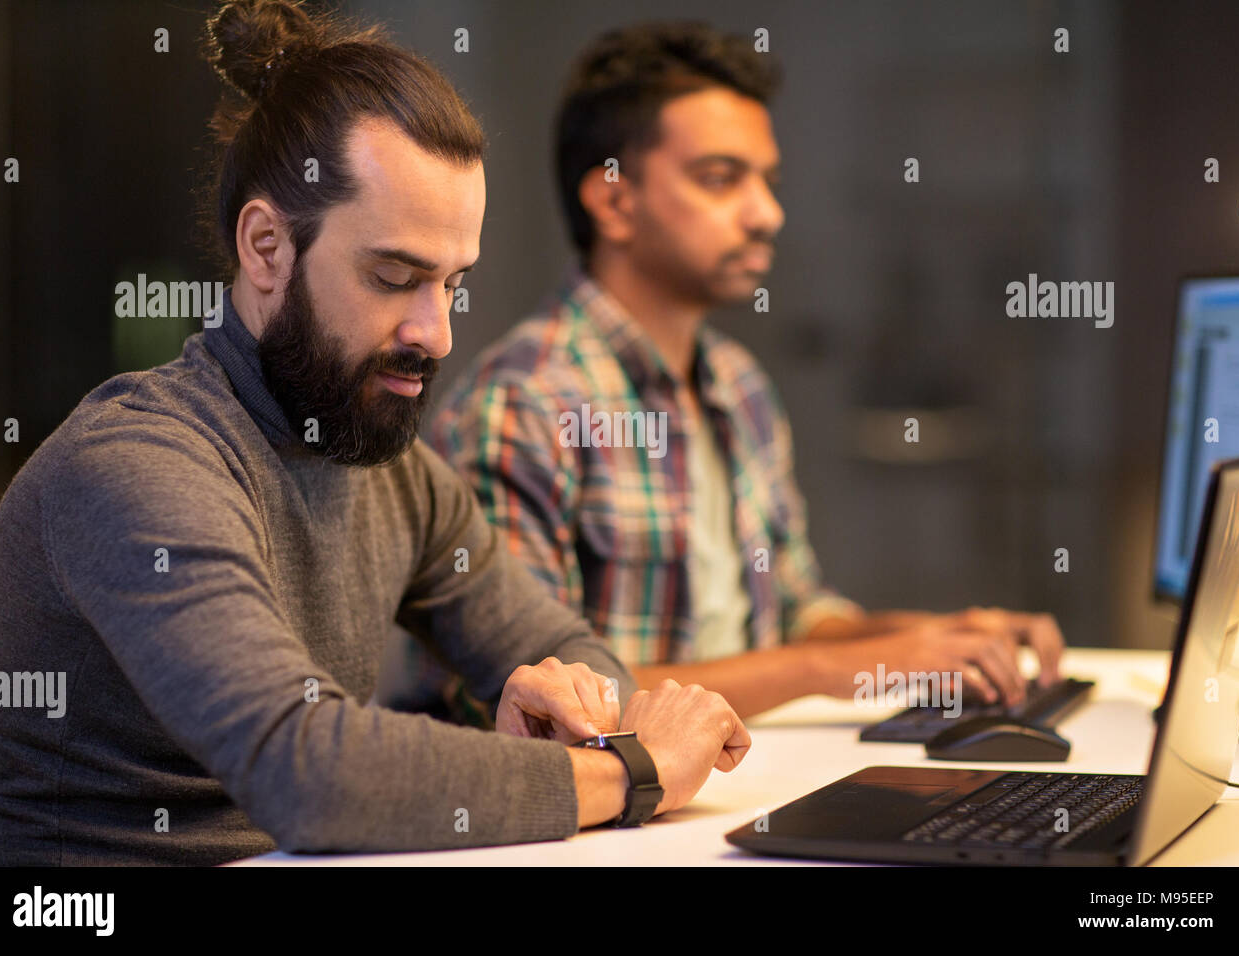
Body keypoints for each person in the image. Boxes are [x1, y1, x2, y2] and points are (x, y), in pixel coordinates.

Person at [0, 1, 748, 867]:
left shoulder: (392, 472)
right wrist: (626, 772)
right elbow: (310, 774)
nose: (437, 334)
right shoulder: (135, 466)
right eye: (394, 277)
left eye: (452, 284)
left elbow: (568, 650)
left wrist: (576, 707)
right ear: (267, 247)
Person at [428, 21, 1065, 720]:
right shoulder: (523, 403)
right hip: (629, 790)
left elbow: (796, 615)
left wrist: (934, 639)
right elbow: (538, 697)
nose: (767, 213)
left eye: (768, 182)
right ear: (613, 200)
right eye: (721, 178)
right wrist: (828, 669)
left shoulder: (738, 384)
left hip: (749, 764)